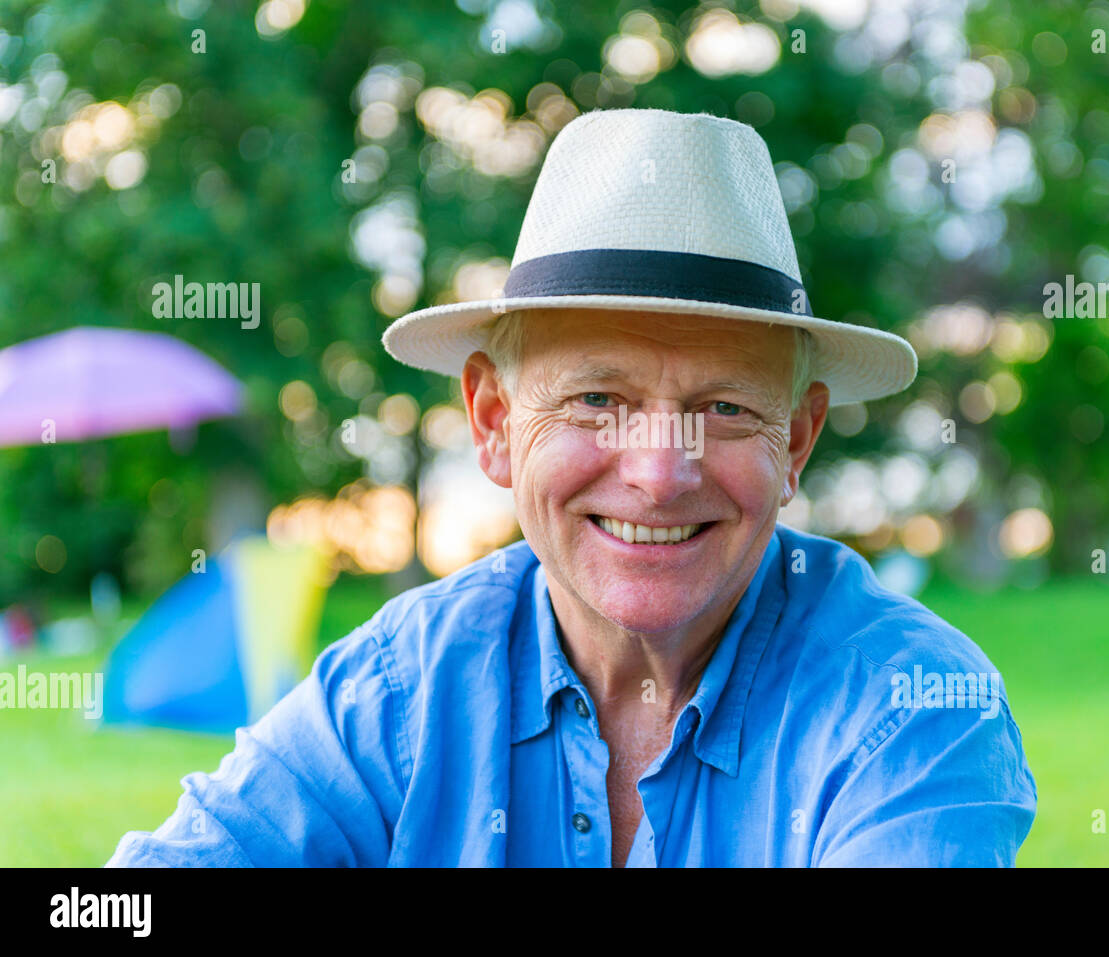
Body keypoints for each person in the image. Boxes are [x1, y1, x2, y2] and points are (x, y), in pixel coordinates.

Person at [106, 108, 1035, 867]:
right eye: (598, 398)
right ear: (493, 421)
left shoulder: (915, 706)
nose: (660, 473)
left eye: (723, 408)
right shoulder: (403, 687)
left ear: (795, 440)